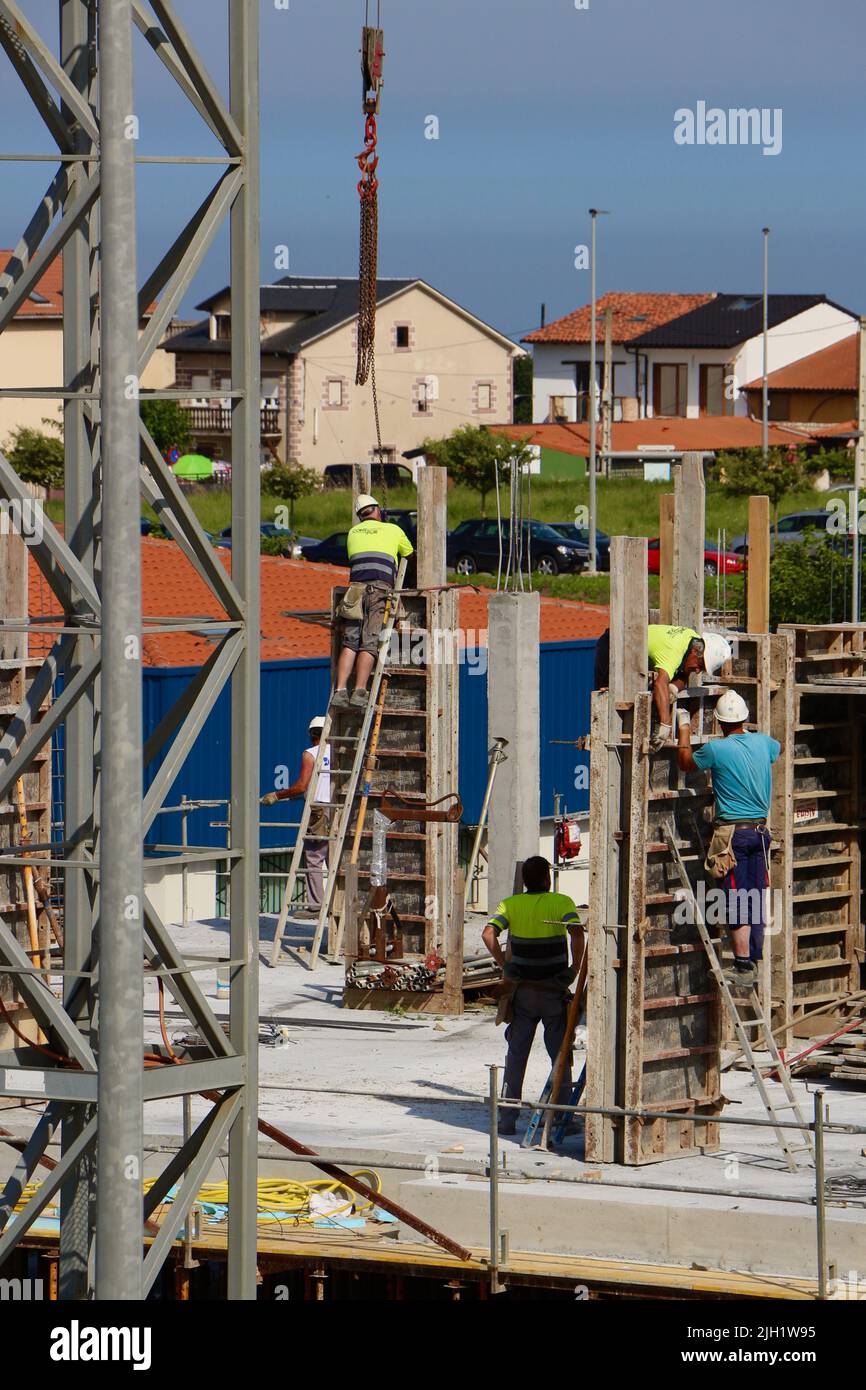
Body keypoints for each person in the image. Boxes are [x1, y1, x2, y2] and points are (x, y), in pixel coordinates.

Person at [676, 689, 781, 991]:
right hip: (761, 834)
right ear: (746, 718)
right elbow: (779, 747)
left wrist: (684, 726)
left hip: (733, 835)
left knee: (736, 897)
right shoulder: (764, 743)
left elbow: (685, 762)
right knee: (755, 896)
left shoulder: (717, 749)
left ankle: (743, 965)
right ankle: (752, 961)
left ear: (719, 723)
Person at [481, 855, 584, 1137]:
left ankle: (507, 1118)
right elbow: (576, 933)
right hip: (553, 992)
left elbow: (488, 933)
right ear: (548, 878)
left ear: (525, 880)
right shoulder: (562, 902)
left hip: (523, 993)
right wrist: (574, 968)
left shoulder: (511, 905)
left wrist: (505, 964)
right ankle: (563, 1117)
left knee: (516, 1056)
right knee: (560, 1056)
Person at [331, 494, 414, 710]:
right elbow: (409, 554)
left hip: (355, 591)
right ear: (377, 510)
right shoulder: (393, 530)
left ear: (360, 516)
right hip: (379, 590)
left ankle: (340, 691)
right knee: (369, 642)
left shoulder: (352, 533)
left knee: (350, 642)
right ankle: (359, 690)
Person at [594, 624, 731, 752]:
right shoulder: (673, 653)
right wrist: (665, 724)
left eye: (702, 669)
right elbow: (661, 683)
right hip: (613, 644)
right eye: (700, 665)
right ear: (695, 651)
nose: (696, 671)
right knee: (608, 695)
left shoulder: (692, 640)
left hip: (633, 648)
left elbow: (684, 676)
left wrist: (673, 688)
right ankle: (605, 743)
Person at [261, 716, 331, 911]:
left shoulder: (310, 754)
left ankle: (316, 905)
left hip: (317, 810)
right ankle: (337, 903)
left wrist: (277, 795)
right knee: (335, 859)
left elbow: (301, 786)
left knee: (314, 858)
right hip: (338, 809)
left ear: (311, 734)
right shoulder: (338, 752)